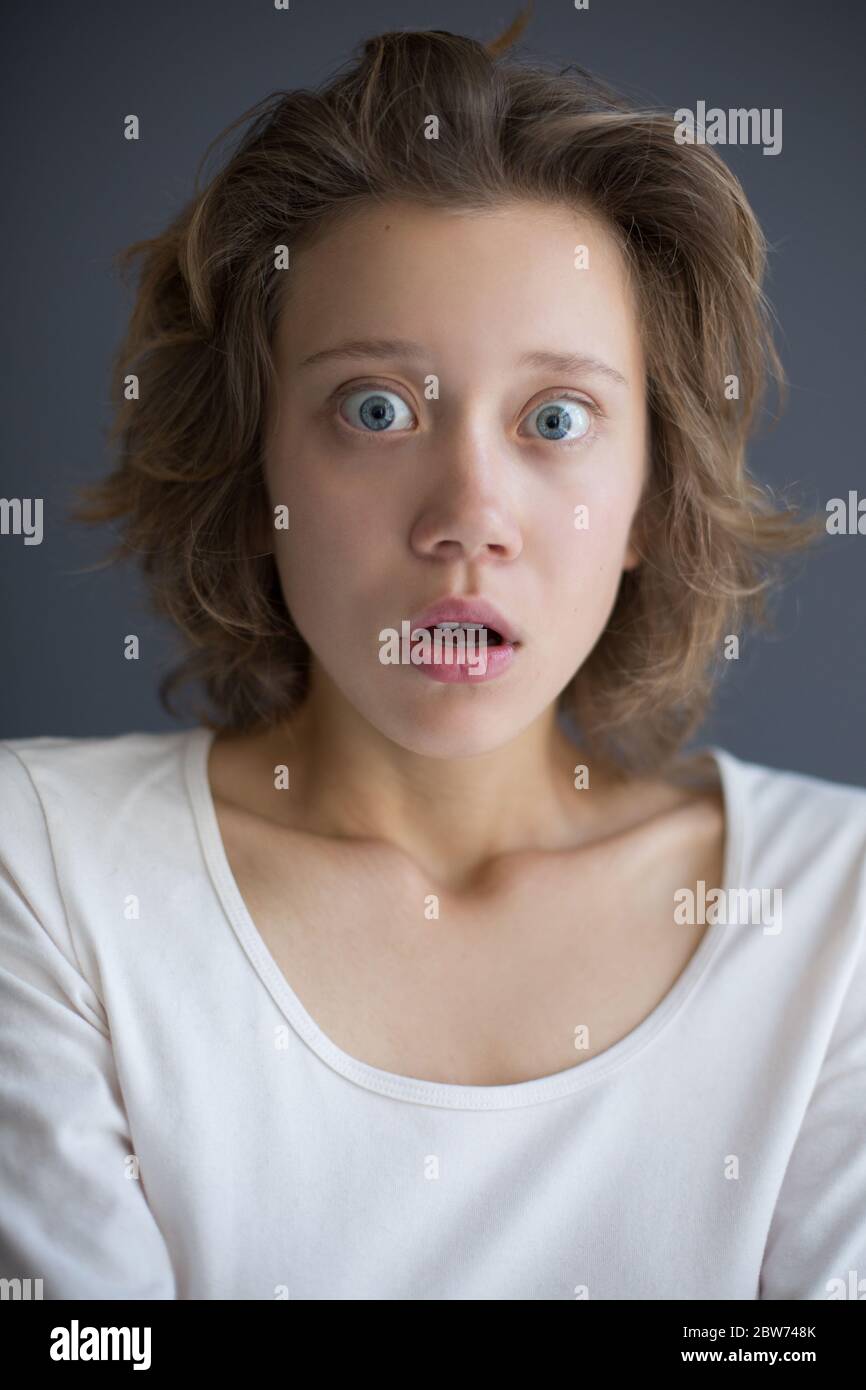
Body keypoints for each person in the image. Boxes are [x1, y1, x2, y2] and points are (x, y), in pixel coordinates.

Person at [1, 19, 864, 1302]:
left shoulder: (837, 915)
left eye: (555, 419)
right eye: (374, 408)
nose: (466, 512)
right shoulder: (41, 868)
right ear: (254, 473)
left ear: (647, 499)